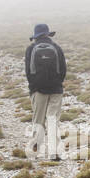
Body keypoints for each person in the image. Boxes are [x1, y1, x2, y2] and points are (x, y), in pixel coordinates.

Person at [25, 23, 66, 159]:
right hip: (56, 89)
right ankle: (54, 152)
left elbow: (28, 72)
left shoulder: (31, 49)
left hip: (38, 90)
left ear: (36, 36)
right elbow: (63, 70)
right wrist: (57, 83)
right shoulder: (57, 48)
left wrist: (33, 86)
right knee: (53, 120)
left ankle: (37, 150)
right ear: (48, 34)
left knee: (38, 120)